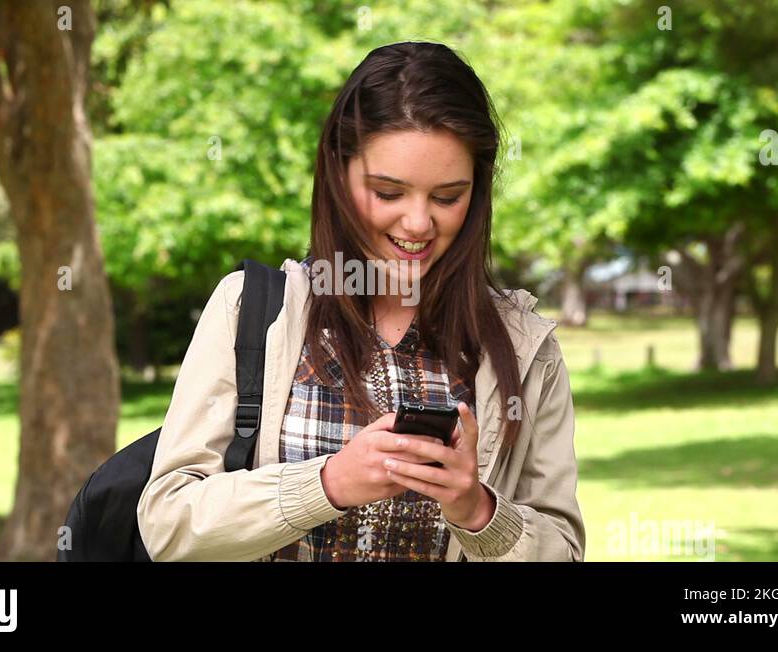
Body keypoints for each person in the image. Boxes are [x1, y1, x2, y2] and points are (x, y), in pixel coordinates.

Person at [136, 41, 586, 562]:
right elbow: (168, 525)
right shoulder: (251, 312)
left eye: (447, 197)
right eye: (389, 193)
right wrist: (327, 484)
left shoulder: (524, 347)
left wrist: (478, 511)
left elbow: (565, 552)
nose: (419, 223)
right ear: (338, 174)